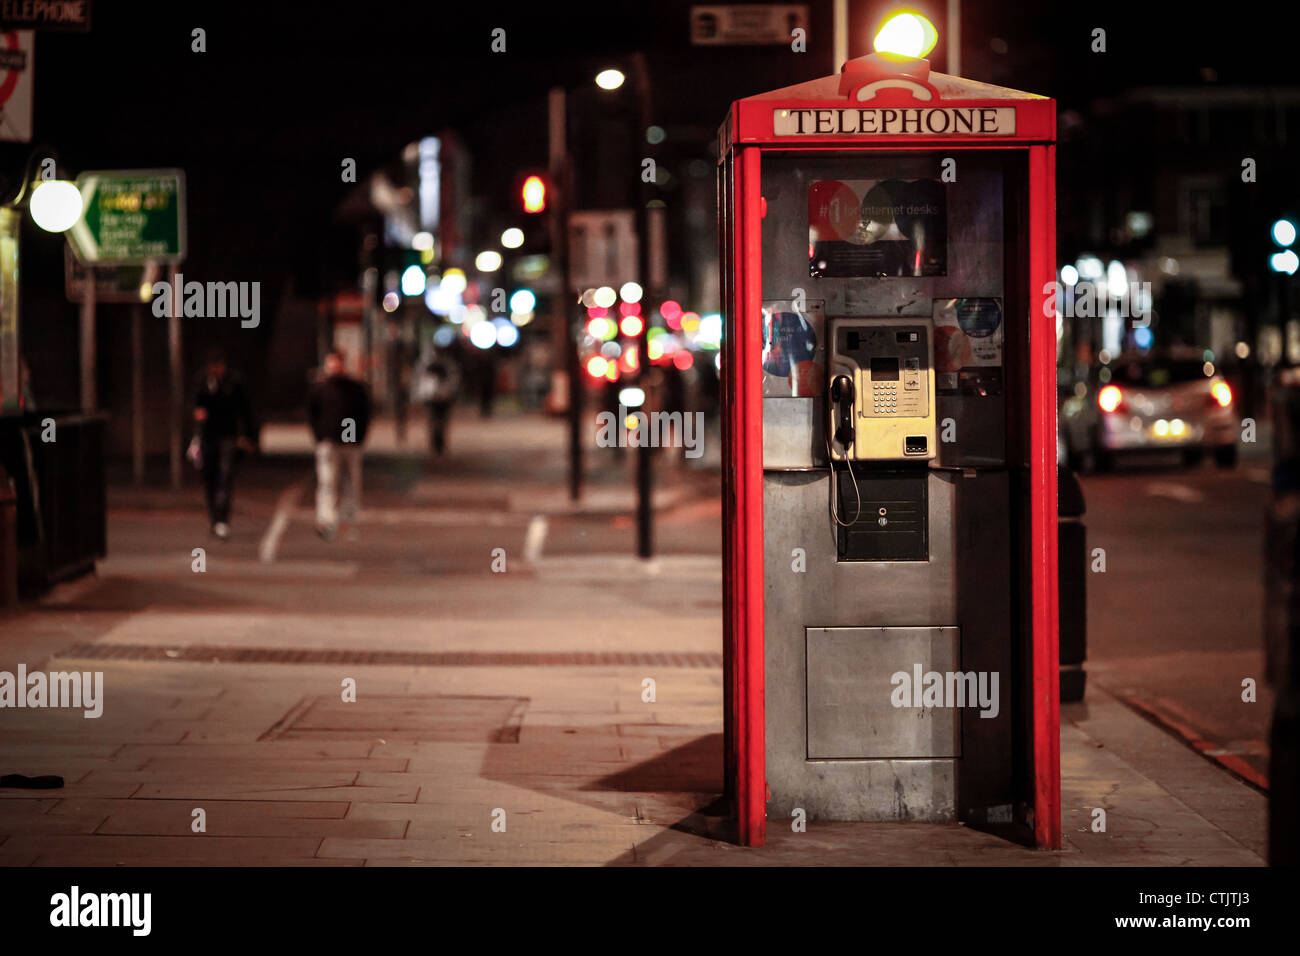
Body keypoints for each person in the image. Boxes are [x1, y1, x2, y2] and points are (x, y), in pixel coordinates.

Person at [191, 351, 256, 540]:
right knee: (209, 477)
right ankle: (214, 517)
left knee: (226, 476)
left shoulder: (234, 383)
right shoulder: (201, 381)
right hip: (207, 436)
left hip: (228, 435)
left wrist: (248, 436)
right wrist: (197, 419)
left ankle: (222, 519)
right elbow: (193, 406)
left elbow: (245, 410)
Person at [308, 351, 371, 540]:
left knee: (351, 483)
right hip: (329, 442)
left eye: (337, 362)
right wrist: (320, 436)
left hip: (350, 443)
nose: (334, 366)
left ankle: (348, 522)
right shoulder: (320, 389)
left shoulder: (354, 388)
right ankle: (326, 520)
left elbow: (364, 413)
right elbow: (312, 414)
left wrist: (357, 437)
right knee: (327, 481)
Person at [414, 347, 461, 455]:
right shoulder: (428, 364)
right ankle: (436, 444)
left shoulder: (444, 365)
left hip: (441, 398)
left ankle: (439, 444)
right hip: (434, 398)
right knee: (436, 421)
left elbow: (453, 380)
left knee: (440, 422)